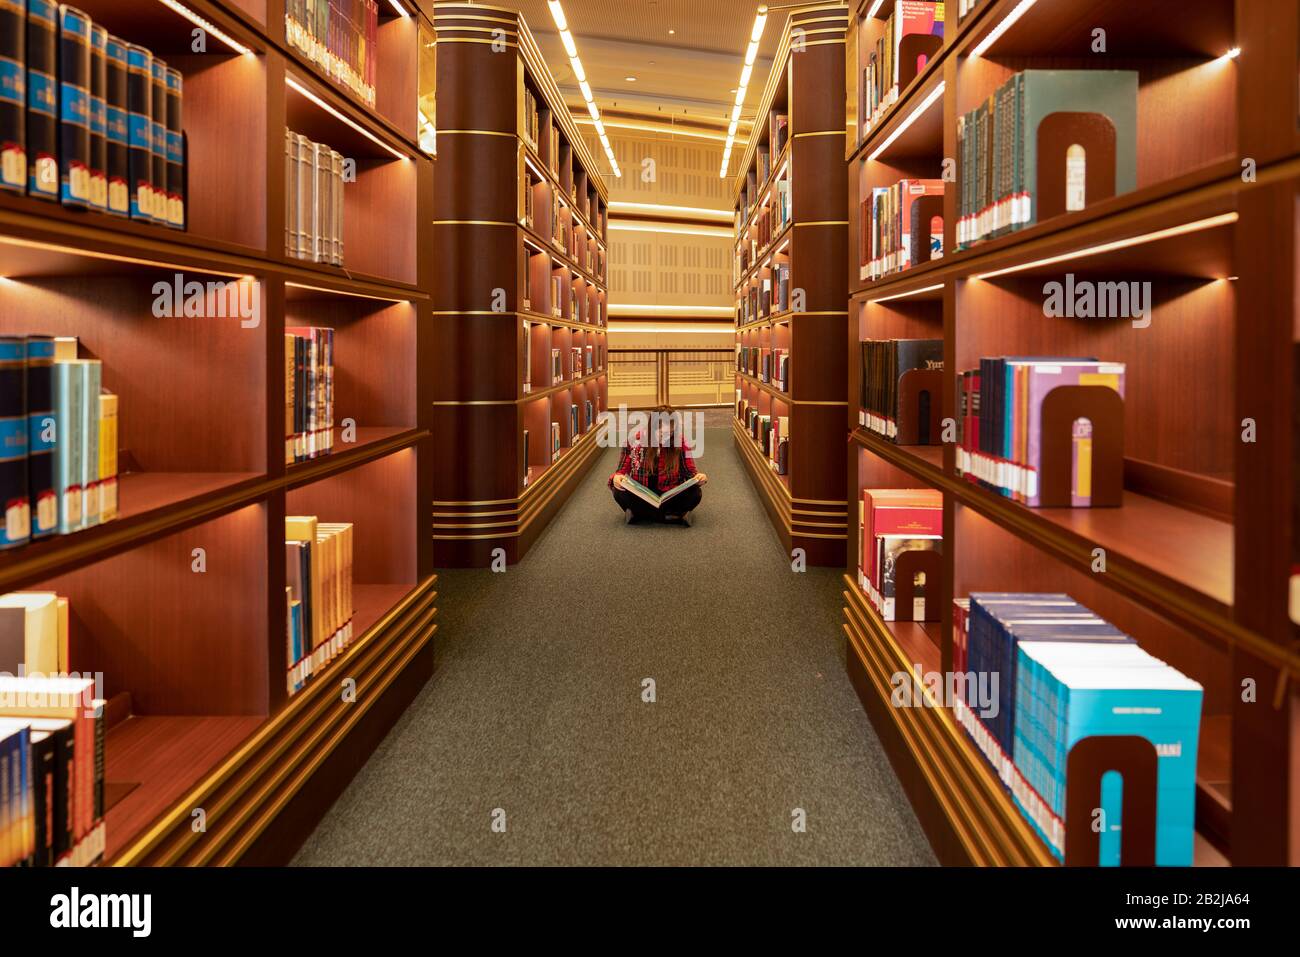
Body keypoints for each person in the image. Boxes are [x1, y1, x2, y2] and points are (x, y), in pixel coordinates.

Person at [609, 406, 708, 526]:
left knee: (695, 493)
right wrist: (616, 478)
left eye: (670, 433)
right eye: (662, 433)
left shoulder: (680, 442)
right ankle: (672, 517)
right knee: (618, 491)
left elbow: (690, 472)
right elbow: (621, 471)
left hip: (669, 494)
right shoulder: (634, 441)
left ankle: (641, 515)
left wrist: (699, 477)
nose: (667, 437)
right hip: (643, 495)